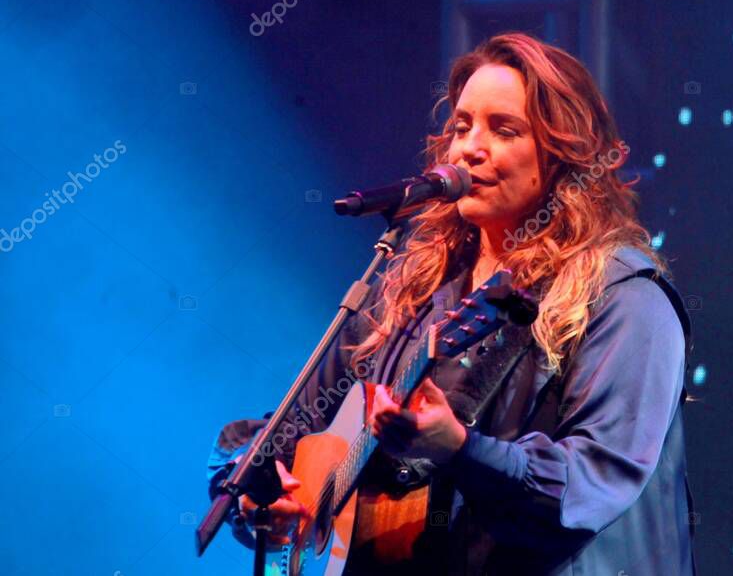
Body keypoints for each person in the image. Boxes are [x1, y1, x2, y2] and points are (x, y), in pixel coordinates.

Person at [207, 32, 697, 575]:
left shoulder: (626, 298)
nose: (468, 148)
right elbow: (279, 435)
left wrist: (460, 449)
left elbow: (590, 485)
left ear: (563, 156)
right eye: (462, 126)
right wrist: (260, 496)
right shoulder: (411, 290)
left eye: (503, 129)